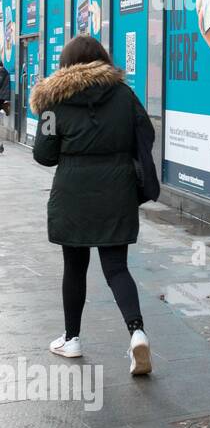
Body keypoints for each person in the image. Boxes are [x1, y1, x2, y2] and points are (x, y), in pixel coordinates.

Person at [31, 34, 153, 375]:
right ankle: (137, 333)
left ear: (66, 63)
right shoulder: (124, 95)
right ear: (102, 58)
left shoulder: (53, 103)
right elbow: (145, 133)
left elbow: (44, 154)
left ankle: (72, 340)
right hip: (117, 191)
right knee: (116, 268)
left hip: (73, 194)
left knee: (75, 266)